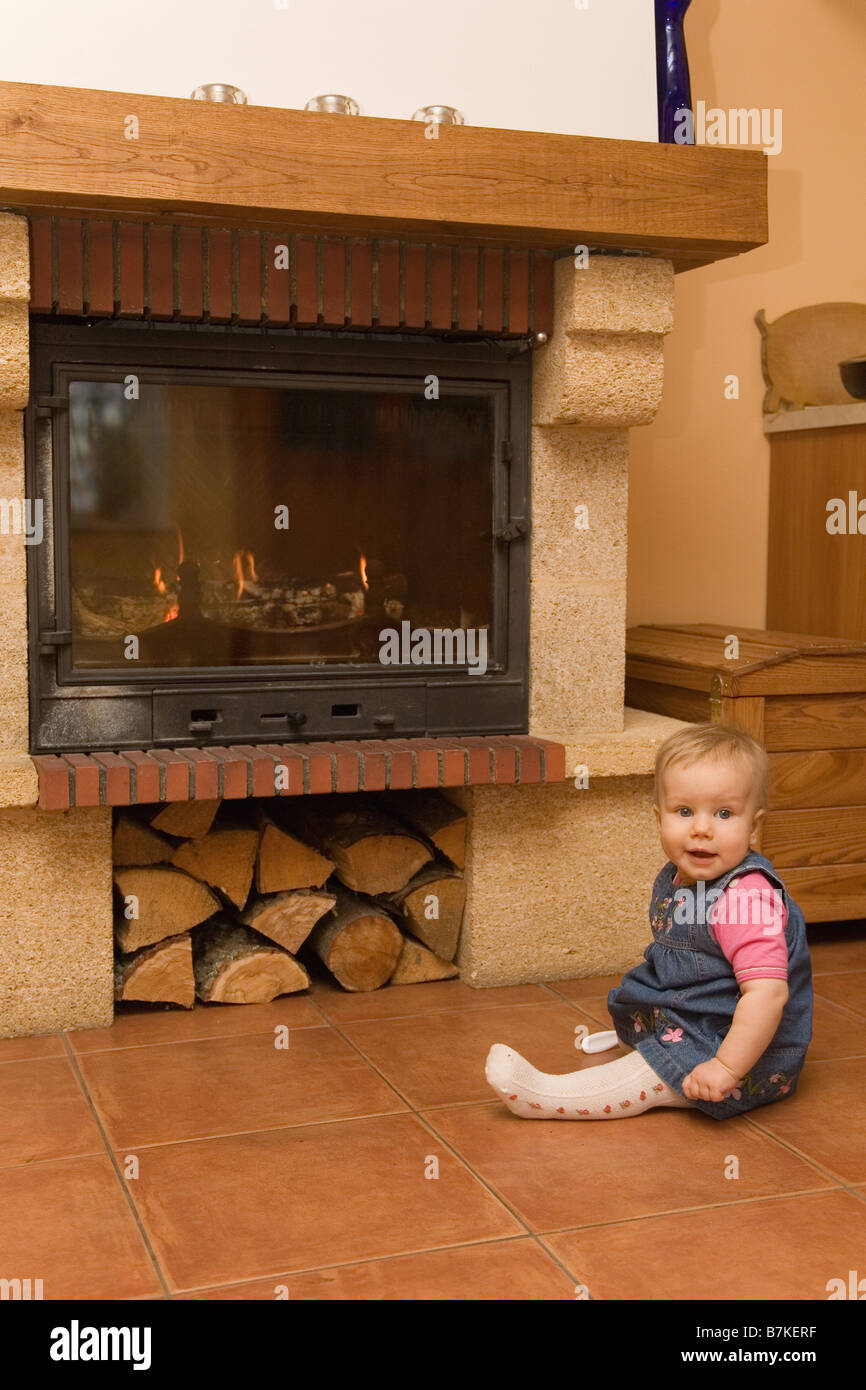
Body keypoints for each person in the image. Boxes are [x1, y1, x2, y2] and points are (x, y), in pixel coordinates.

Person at [485, 722, 813, 1120]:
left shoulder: (746, 898)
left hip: (735, 1042)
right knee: (638, 993)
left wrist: (725, 1067)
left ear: (754, 826)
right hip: (690, 1007)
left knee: (645, 1077)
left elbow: (768, 995)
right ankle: (655, 1045)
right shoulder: (682, 875)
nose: (702, 828)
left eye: (724, 813)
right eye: (684, 811)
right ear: (659, 818)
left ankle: (545, 1096)